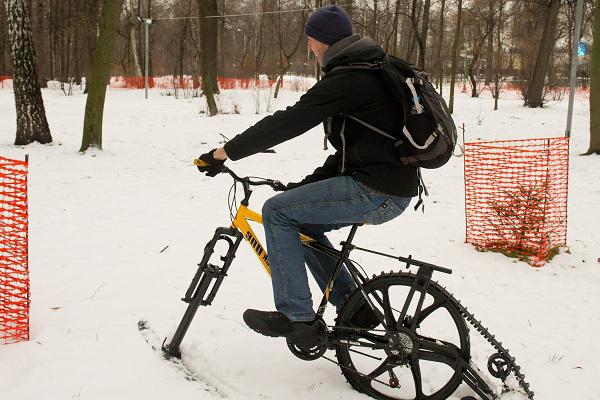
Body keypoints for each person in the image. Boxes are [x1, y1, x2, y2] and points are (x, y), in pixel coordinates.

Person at [196, 5, 418, 348]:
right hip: (388, 184)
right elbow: (352, 152)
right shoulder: (366, 70)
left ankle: (296, 317)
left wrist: (223, 153)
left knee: (277, 211)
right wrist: (304, 188)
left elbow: (289, 121)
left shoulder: (350, 77)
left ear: (323, 41)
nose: (310, 49)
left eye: (311, 41)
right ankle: (353, 307)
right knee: (301, 222)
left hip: (378, 190)